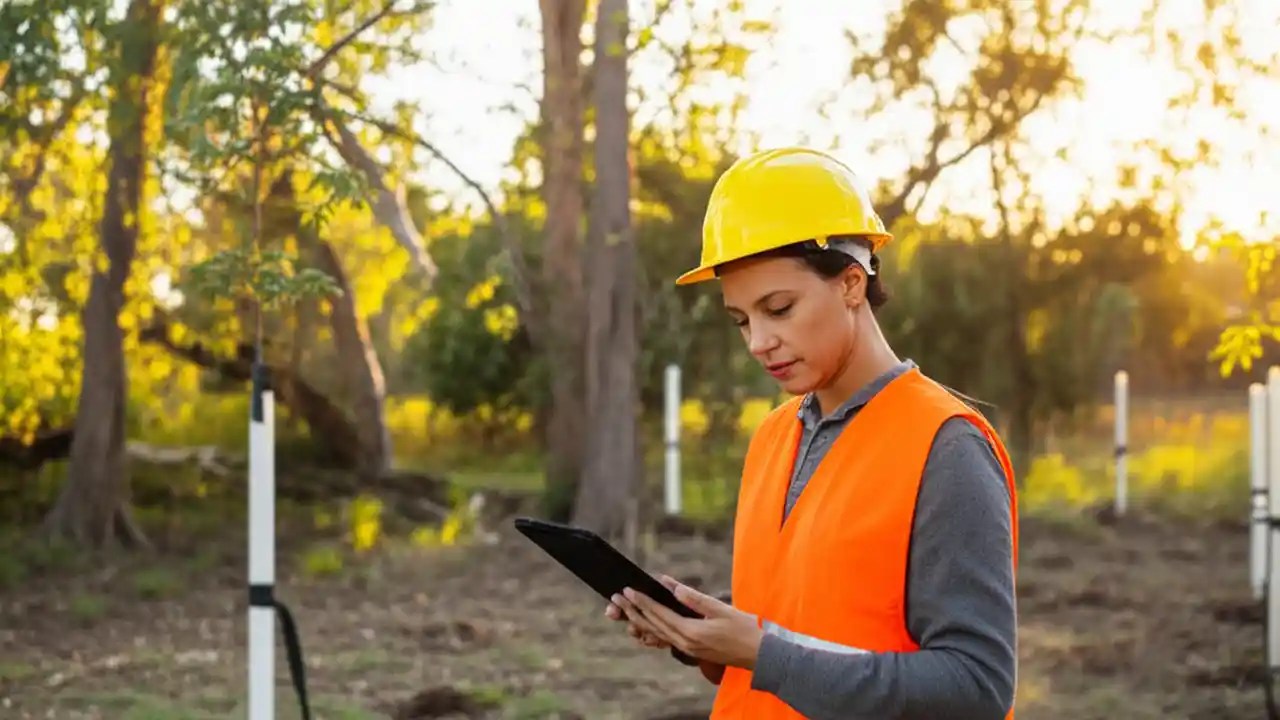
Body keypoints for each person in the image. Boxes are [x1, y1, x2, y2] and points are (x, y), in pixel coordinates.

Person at [604, 147, 1019, 719]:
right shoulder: (775, 436)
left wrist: (763, 653)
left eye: (779, 308)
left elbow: (976, 689)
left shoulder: (947, 447)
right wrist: (704, 641)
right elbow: (804, 632)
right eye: (743, 321)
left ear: (851, 284)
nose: (758, 342)